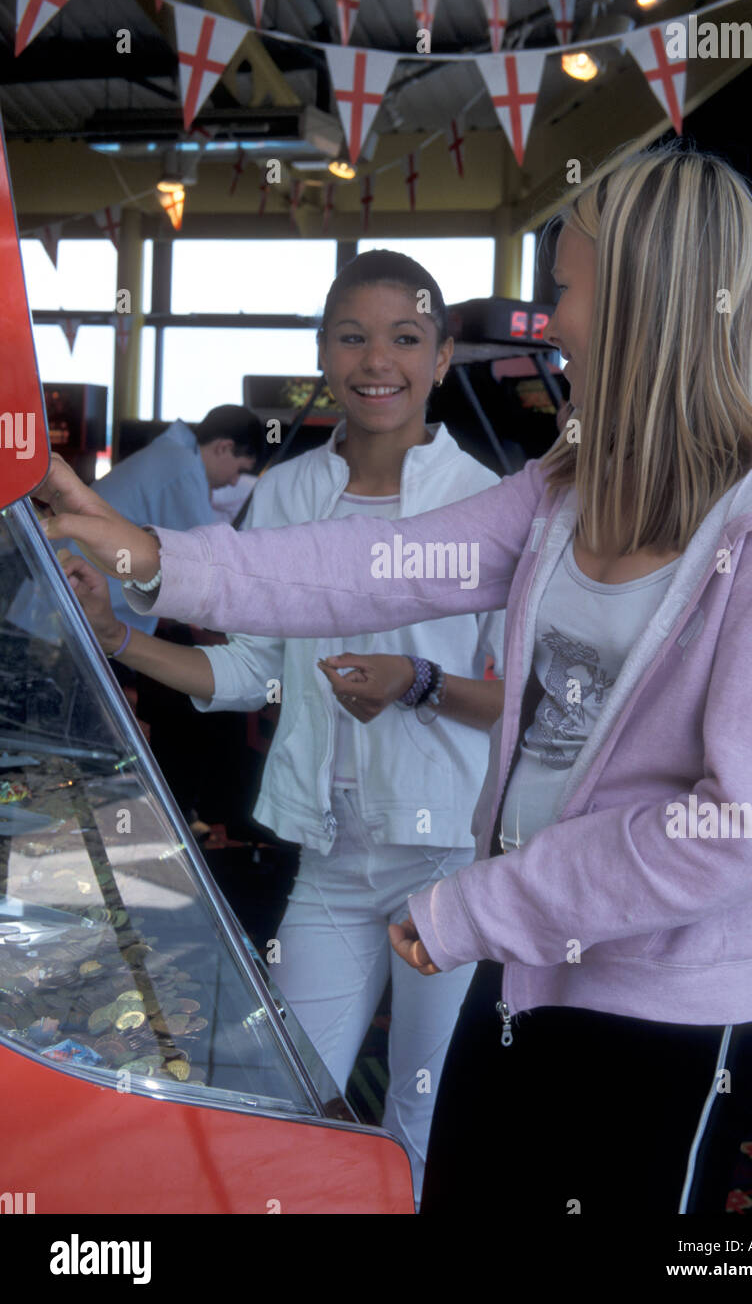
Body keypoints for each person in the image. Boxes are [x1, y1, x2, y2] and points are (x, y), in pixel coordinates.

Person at [37, 144, 752, 1216]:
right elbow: (366, 564)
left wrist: (480, 902)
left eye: (564, 289)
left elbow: (739, 831)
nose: (549, 321)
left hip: (669, 1004)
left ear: (646, 303)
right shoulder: (567, 487)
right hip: (529, 963)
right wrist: (152, 552)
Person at [51, 251, 505, 1210]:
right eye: (352, 335)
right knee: (280, 1102)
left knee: (419, 1115)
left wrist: (416, 682)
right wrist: (119, 638)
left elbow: (525, 705)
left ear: (441, 354)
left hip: (448, 863)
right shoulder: (287, 493)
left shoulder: (486, 500)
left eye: (405, 337)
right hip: (330, 858)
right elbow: (251, 672)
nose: (376, 359)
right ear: (321, 351)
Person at [91, 405, 265, 633]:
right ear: (224, 448)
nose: (234, 482)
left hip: (83, 605)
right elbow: (210, 565)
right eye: (239, 470)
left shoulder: (174, 455)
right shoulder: (183, 470)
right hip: (76, 618)